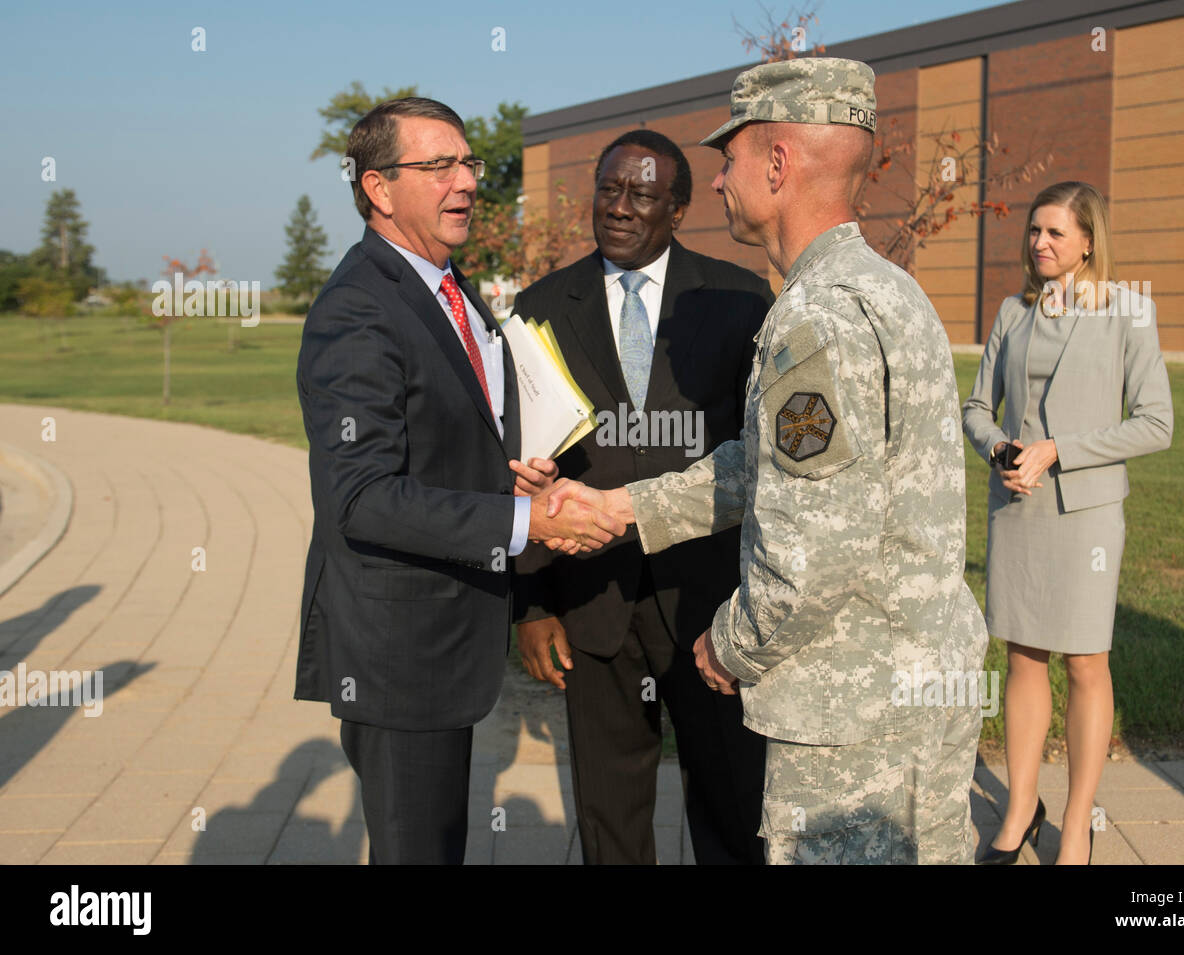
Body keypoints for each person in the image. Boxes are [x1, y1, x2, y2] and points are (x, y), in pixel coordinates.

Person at [532, 58, 989, 864]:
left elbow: (813, 551)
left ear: (778, 163)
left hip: (852, 713)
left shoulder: (812, 319)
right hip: (912, 689)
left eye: (728, 157)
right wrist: (625, 508)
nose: (717, 182)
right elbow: (773, 468)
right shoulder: (885, 287)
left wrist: (732, 642)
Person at [294, 97, 623, 865]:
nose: (467, 181)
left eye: (468, 163)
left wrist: (513, 476)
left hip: (447, 639)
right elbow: (363, 495)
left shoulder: (447, 284)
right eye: (438, 165)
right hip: (397, 650)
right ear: (378, 188)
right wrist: (527, 525)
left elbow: (450, 435)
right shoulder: (357, 309)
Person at [510, 129, 773, 865]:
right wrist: (532, 606)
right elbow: (523, 471)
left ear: (679, 209)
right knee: (609, 813)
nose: (619, 208)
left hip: (709, 605)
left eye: (643, 195)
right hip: (592, 607)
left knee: (731, 802)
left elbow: (766, 460)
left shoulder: (738, 300)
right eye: (609, 190)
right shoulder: (538, 310)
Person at [962, 181, 1173, 865]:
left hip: (1086, 516)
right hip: (1018, 508)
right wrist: (999, 447)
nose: (1040, 243)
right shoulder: (1011, 313)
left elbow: (1156, 423)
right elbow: (974, 408)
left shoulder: (1129, 313)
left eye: (1055, 232)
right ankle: (1021, 806)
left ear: (1088, 240)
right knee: (1022, 655)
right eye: (1033, 231)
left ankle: (1077, 819)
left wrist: (1062, 451)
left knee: (1086, 661)